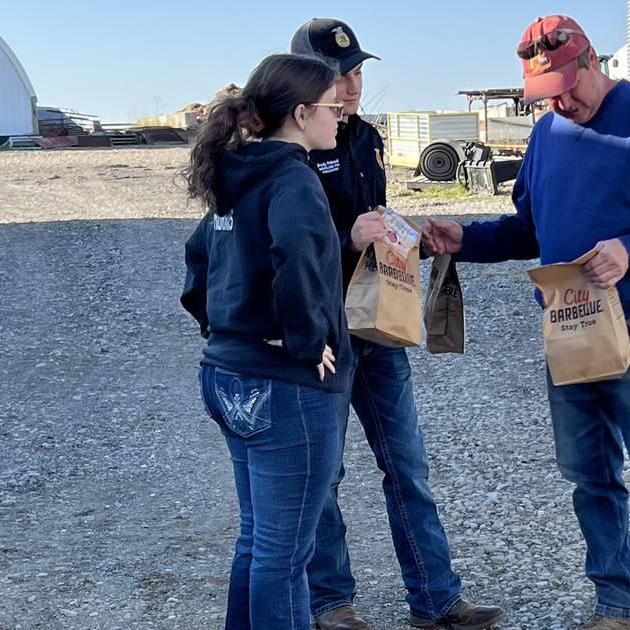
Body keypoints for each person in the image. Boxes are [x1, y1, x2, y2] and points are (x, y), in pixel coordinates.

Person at [423, 15, 630, 630]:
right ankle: (617, 605)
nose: (559, 102)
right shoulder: (548, 137)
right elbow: (529, 230)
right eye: (545, 94)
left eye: (566, 86)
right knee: (588, 474)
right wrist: (464, 239)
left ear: (593, 63)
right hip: (568, 324)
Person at [290, 18, 505, 630]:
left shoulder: (360, 137)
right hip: (321, 331)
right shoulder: (279, 146)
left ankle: (436, 601)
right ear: (303, 80)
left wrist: (409, 236)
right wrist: (344, 238)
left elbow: (372, 217)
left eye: (358, 72)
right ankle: (331, 604)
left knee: (406, 462)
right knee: (323, 473)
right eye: (340, 74)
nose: (353, 86)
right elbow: (272, 246)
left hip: (375, 321)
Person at [180, 53, 351, 629]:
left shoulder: (235, 175)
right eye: (334, 106)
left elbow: (200, 258)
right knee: (285, 557)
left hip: (225, 374)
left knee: (259, 540)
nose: (342, 117)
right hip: (283, 389)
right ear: (302, 114)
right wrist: (305, 339)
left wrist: (224, 327)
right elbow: (297, 254)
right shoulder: (292, 177)